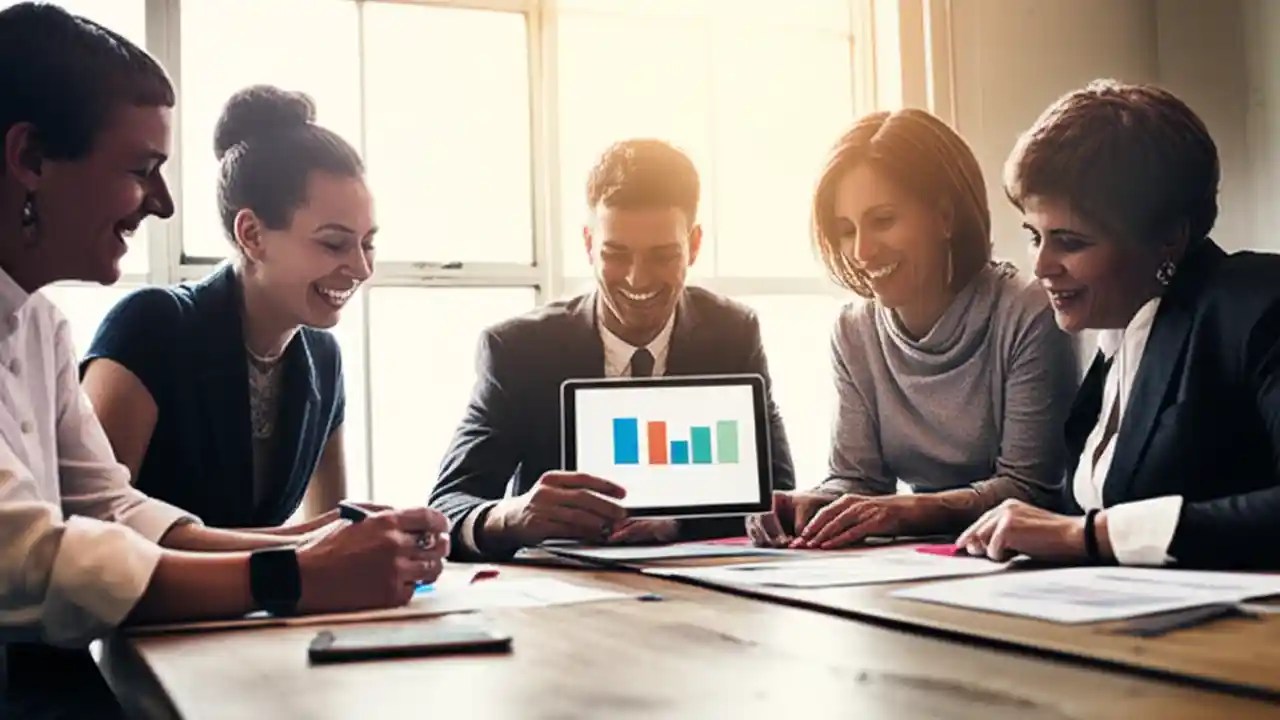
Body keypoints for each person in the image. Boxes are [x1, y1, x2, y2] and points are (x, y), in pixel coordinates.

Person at [0, 5, 446, 716]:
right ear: (29, 158)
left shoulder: (40, 326)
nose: (165, 201)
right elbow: (31, 561)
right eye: (142, 169)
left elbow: (113, 507)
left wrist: (320, 543)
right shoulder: (150, 327)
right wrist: (292, 572)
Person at [957, 79, 1280, 569]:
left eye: (1070, 241)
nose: (1041, 266)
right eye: (1034, 236)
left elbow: (1093, 530)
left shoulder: (1254, 304)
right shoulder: (1115, 348)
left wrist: (1089, 534)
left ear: (1168, 238)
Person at [431, 138, 796, 560]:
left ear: (693, 246)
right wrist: (511, 517)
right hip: (562, 594)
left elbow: (776, 494)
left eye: (662, 256)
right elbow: (448, 506)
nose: (638, 280)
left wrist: (676, 523)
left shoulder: (731, 333)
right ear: (589, 243)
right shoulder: (519, 350)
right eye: (615, 254)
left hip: (694, 590)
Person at [748, 109, 1078, 550]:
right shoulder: (853, 331)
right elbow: (858, 480)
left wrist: (904, 511)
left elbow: (1032, 489)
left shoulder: (1029, 311)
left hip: (1022, 559)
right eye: (846, 230)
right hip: (925, 561)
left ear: (945, 216)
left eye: (883, 220)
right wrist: (809, 504)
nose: (861, 251)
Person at [81, 84, 370, 530]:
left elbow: (330, 531)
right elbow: (94, 535)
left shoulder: (323, 357)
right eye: (334, 243)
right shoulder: (152, 327)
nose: (362, 268)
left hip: (255, 600)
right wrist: (303, 553)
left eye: (368, 243)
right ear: (252, 235)